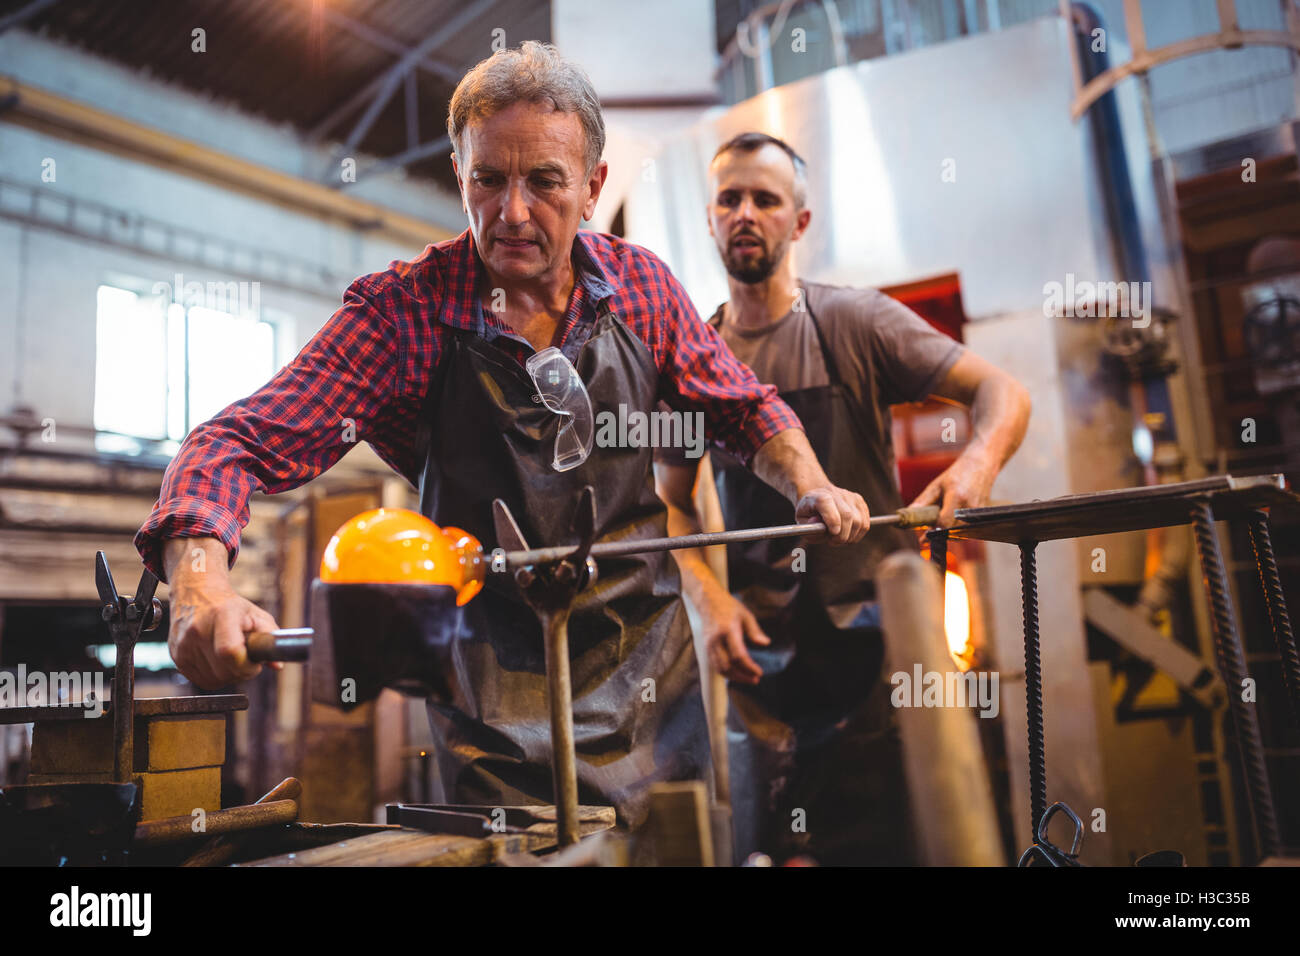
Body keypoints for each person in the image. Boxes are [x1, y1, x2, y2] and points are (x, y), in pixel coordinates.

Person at [134, 48, 873, 829]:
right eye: (489, 179)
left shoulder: (644, 289)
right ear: (460, 178)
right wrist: (198, 586)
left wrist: (811, 483)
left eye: (545, 181)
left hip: (655, 695)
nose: (513, 212)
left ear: (592, 188)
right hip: (493, 717)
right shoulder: (403, 315)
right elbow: (233, 443)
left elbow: (745, 407)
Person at [654, 132, 1031, 861]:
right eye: (730, 199)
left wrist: (977, 464)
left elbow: (1002, 392)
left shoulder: (856, 323)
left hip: (881, 661)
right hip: (763, 670)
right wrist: (709, 599)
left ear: (798, 222)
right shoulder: (694, 361)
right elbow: (672, 502)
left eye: (766, 200)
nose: (745, 214)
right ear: (709, 218)